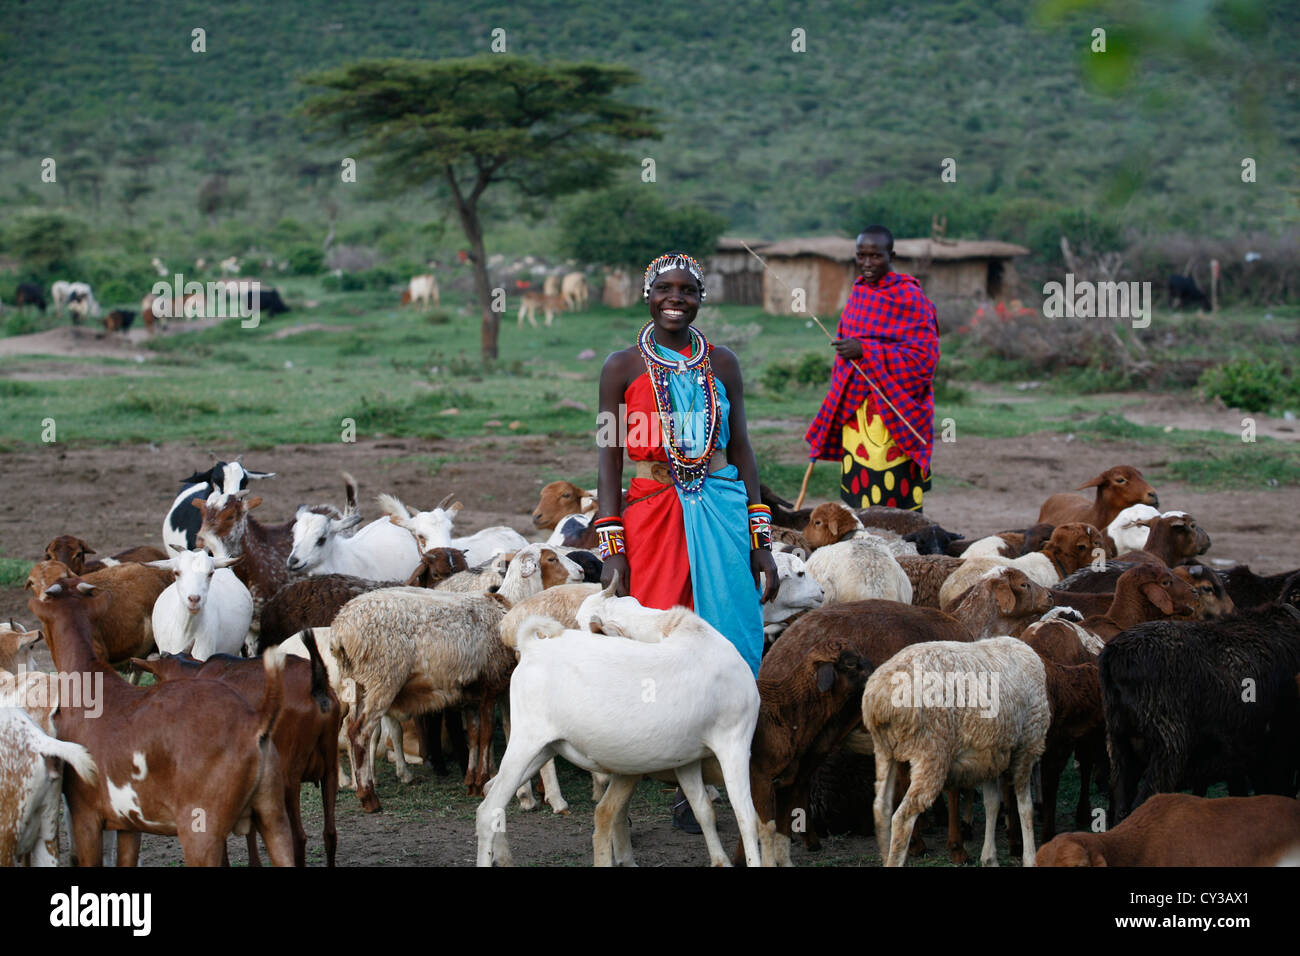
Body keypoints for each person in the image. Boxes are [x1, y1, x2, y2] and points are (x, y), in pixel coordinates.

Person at [595, 251, 777, 832]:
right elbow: (608, 456)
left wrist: (759, 534)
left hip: (722, 509)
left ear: (702, 297)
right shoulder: (620, 369)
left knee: (729, 635)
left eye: (689, 290)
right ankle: (674, 772)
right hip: (651, 515)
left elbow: (744, 447)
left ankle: (726, 766)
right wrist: (612, 543)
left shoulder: (722, 363)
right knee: (663, 638)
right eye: (666, 289)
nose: (678, 298)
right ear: (647, 295)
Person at [805, 225, 939, 512]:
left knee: (893, 492)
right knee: (858, 493)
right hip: (856, 409)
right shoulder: (859, 294)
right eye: (861, 256)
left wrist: (867, 350)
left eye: (875, 256)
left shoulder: (909, 297)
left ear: (891, 256)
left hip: (895, 410)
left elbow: (924, 358)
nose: (866, 263)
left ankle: (904, 549)